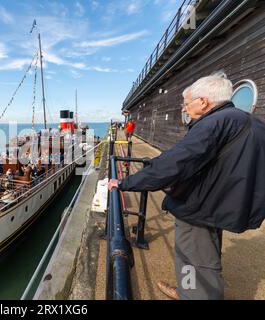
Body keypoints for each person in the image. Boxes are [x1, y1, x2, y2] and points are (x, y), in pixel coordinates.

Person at [108, 72, 265, 300]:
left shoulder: (213, 123)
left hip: (200, 207)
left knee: (192, 258)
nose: (184, 108)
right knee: (203, 257)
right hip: (225, 203)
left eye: (186, 102)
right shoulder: (252, 123)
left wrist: (125, 182)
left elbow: (174, 163)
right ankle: (188, 289)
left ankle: (190, 293)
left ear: (203, 102)